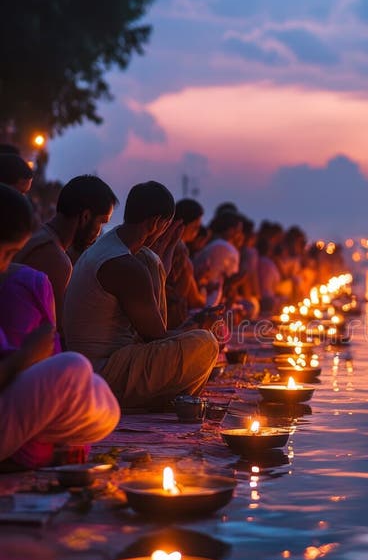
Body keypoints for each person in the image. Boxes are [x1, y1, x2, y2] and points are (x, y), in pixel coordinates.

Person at [63, 181, 218, 411]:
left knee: (150, 259)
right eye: (165, 226)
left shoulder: (115, 247)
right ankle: (166, 402)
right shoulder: (125, 265)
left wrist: (158, 269)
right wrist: (196, 326)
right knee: (206, 343)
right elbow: (156, 336)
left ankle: (165, 400)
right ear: (156, 223)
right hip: (103, 374)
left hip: (92, 366)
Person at [0, 184, 119, 470]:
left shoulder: (53, 252)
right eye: (7, 254)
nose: (6, 268)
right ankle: (25, 448)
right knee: (74, 368)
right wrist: (28, 354)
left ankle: (32, 443)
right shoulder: (51, 259)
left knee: (100, 395)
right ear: (85, 216)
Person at [16, 174, 118, 329]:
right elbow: (57, 329)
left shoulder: (38, 236)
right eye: (101, 223)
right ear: (85, 217)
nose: (99, 233)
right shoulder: (55, 259)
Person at [166, 197, 206, 328]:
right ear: (182, 224)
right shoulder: (179, 248)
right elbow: (192, 299)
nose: (196, 232)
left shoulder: (167, 244)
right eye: (195, 227)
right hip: (171, 319)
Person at [193, 210, 243, 307]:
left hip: (203, 296)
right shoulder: (226, 248)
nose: (239, 234)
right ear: (230, 230)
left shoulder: (209, 243)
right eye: (238, 230)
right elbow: (230, 279)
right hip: (211, 299)